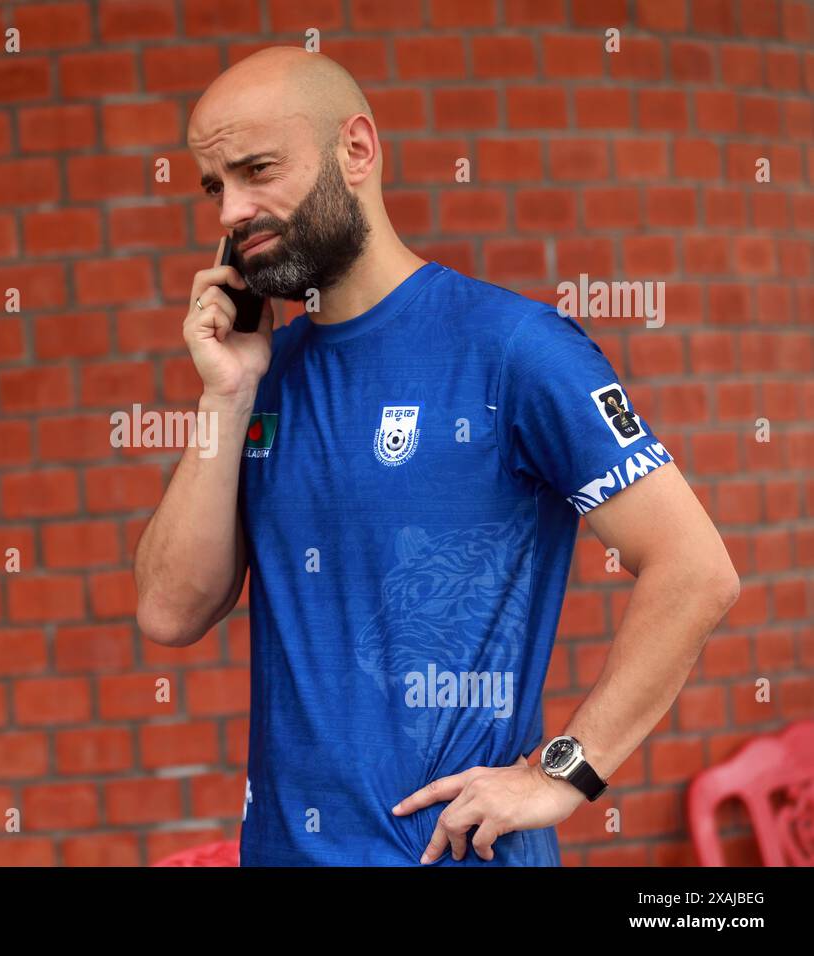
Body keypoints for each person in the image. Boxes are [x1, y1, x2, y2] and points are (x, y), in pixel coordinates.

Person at [132, 47, 740, 866]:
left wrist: (563, 775)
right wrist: (227, 395)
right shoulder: (261, 373)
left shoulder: (513, 348)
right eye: (215, 186)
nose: (230, 212)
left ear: (356, 149)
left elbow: (696, 569)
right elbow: (171, 611)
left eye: (257, 170)